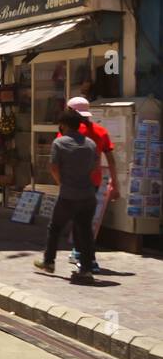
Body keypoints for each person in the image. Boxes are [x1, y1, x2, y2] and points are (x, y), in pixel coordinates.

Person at [35, 109, 103, 284]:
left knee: (55, 227)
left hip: (68, 195)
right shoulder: (90, 143)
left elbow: (53, 167)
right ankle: (86, 270)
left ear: (63, 125)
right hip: (88, 194)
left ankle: (49, 262)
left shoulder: (59, 143)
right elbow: (96, 165)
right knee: (85, 231)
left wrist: (61, 183)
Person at [65, 96, 119, 272]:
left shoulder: (68, 132)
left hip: (73, 183)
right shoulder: (101, 131)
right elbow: (111, 160)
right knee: (84, 219)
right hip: (93, 182)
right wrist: (115, 183)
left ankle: (86, 258)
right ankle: (80, 253)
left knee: (81, 220)